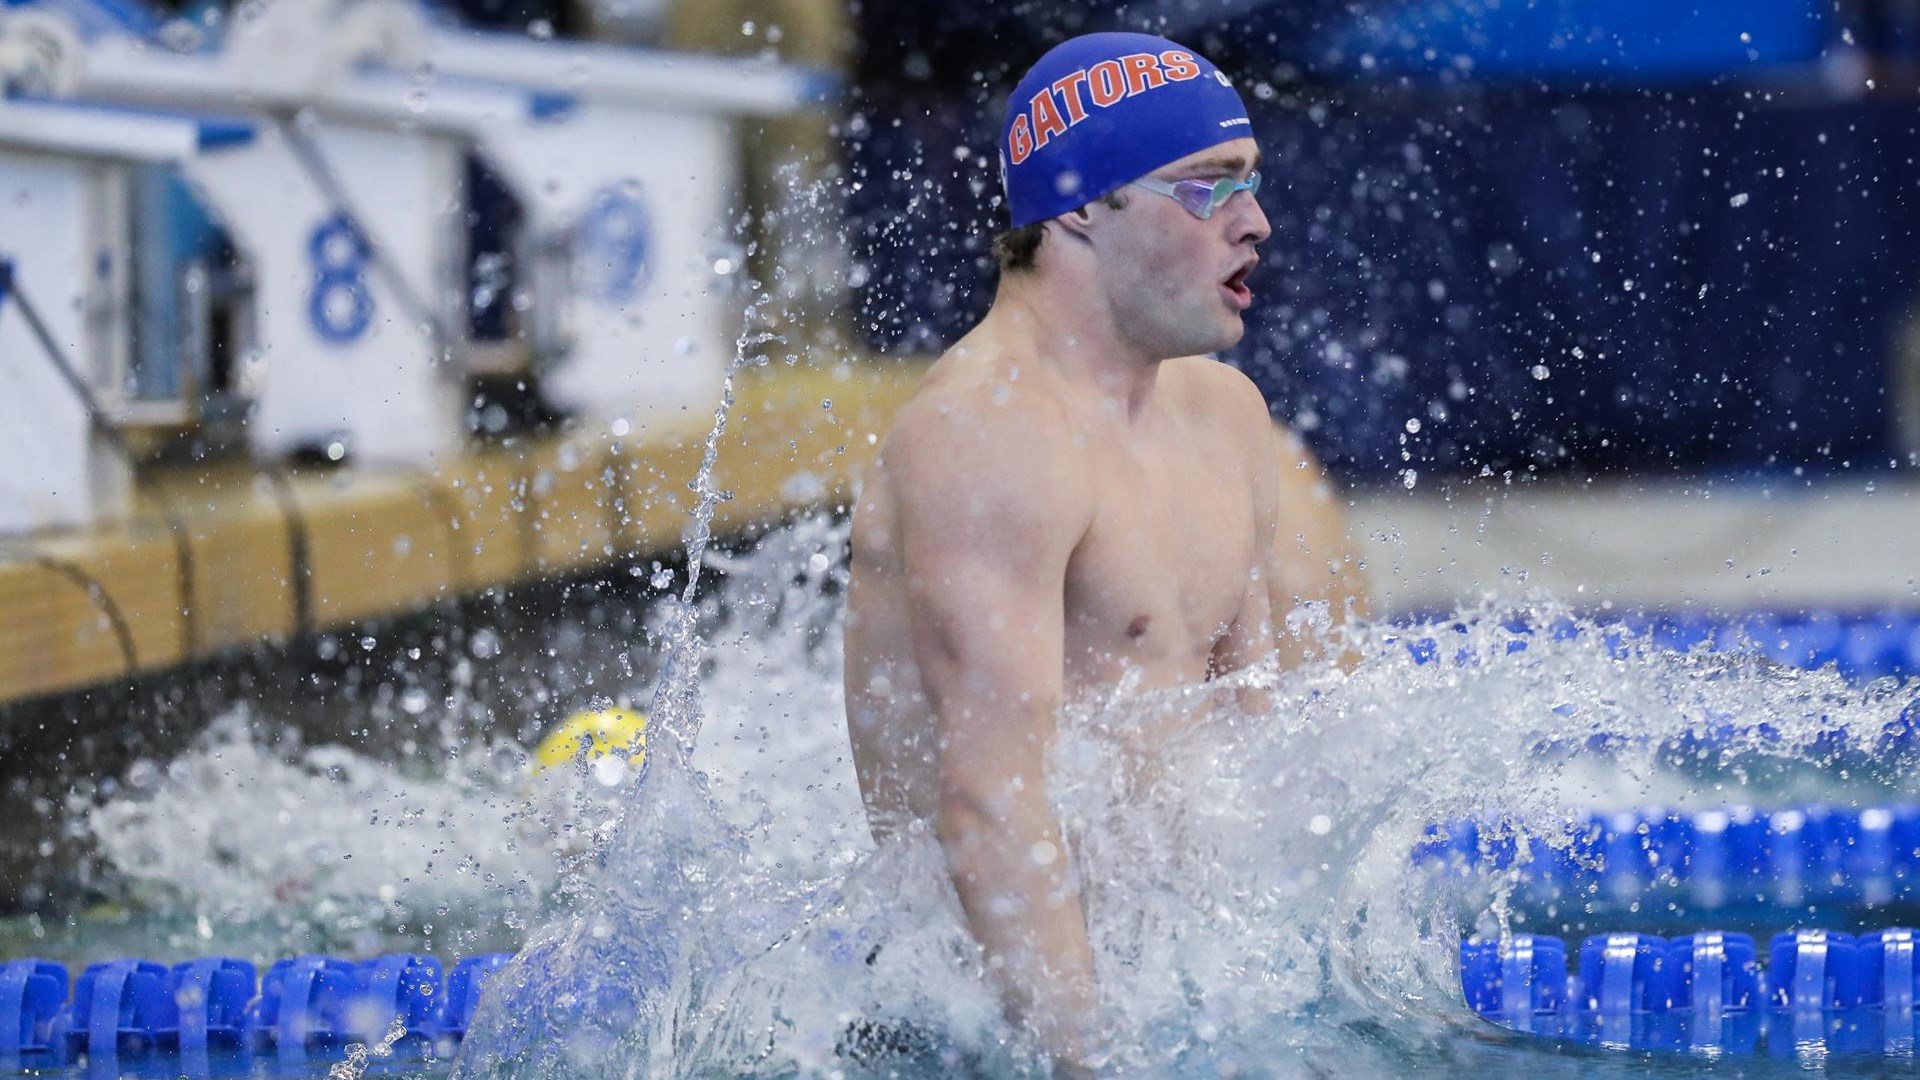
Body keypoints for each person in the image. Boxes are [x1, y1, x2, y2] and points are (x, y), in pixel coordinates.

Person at [841, 32, 1367, 1074]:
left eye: (1252, 184)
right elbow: (986, 800)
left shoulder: (1222, 415)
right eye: (1210, 187)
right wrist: (1089, 1063)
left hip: (1184, 993)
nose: (1256, 220)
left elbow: (1256, 741)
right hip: (982, 1030)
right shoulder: (989, 434)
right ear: (1081, 204)